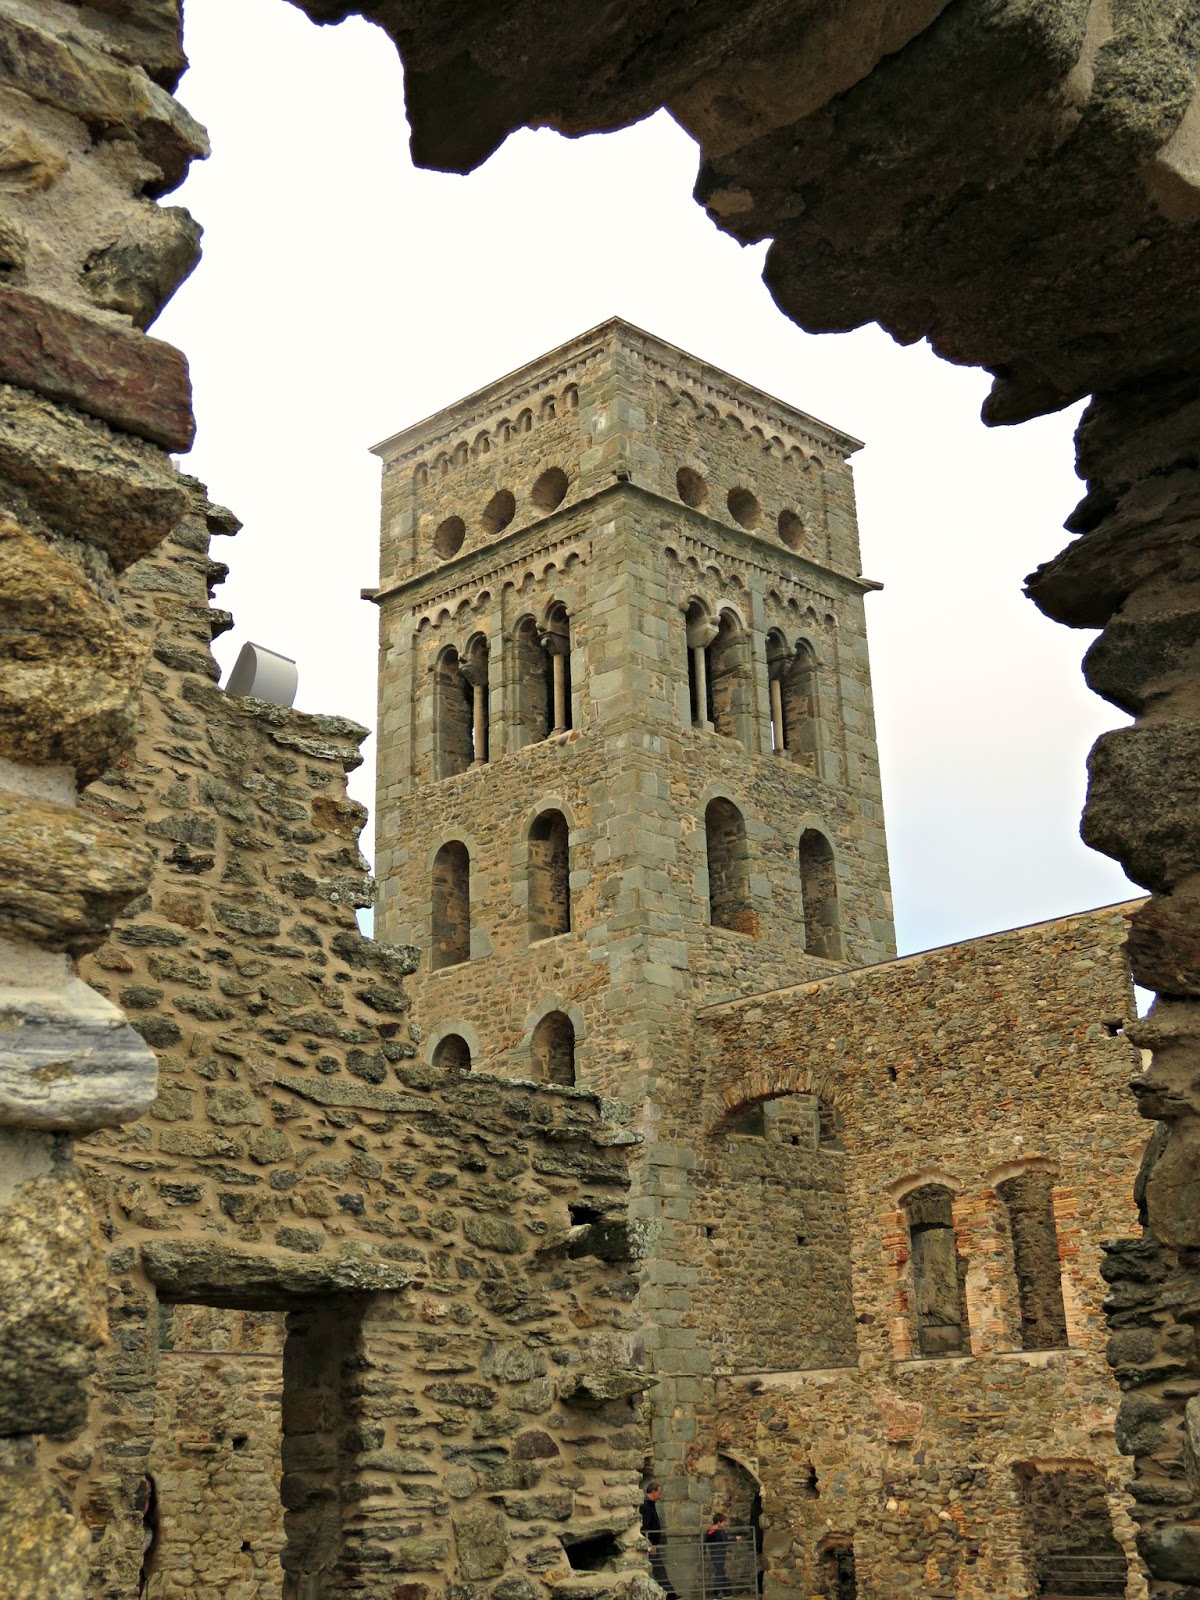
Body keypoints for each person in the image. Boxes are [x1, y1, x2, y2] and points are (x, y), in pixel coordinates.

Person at [641, 1482, 678, 1600]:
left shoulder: (650, 1505)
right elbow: (645, 1527)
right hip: (650, 1546)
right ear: (653, 1492)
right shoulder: (646, 1506)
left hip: (653, 1545)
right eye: (659, 1492)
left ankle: (670, 1594)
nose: (660, 1495)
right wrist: (651, 1545)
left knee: (660, 1570)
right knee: (659, 1571)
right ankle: (670, 1595)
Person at [704, 1510, 735, 1598]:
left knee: (721, 1571)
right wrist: (735, 1539)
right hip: (720, 1553)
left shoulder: (709, 1531)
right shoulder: (721, 1531)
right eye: (723, 1522)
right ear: (719, 1522)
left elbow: (705, 1541)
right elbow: (726, 1542)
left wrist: (703, 1550)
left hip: (713, 1554)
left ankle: (726, 1592)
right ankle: (715, 1593)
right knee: (719, 1572)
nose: (724, 1524)